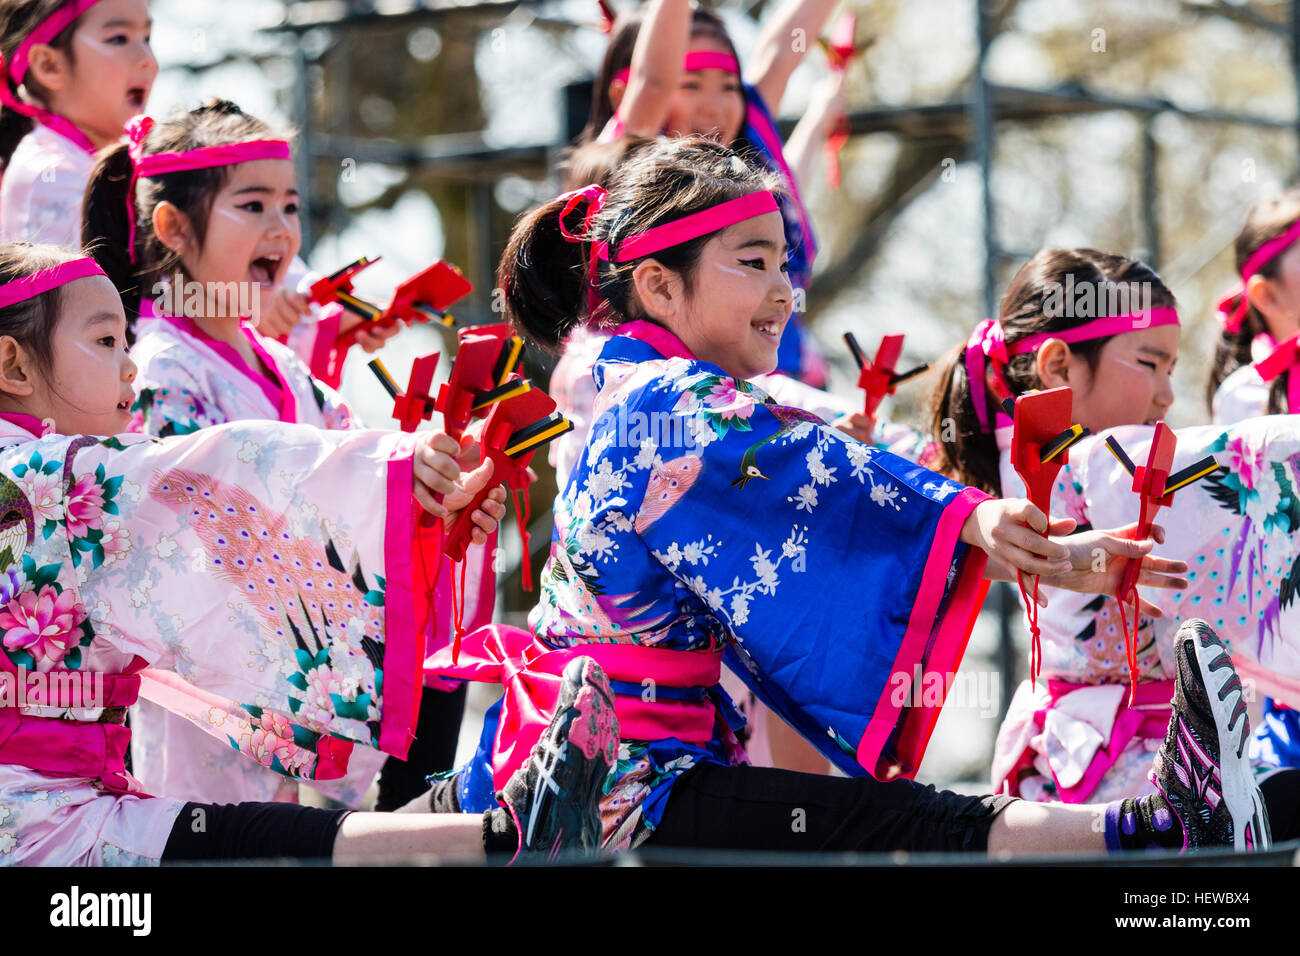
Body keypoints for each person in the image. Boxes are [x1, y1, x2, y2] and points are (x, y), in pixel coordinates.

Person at [425, 137, 1267, 856]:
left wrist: (1018, 541)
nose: (784, 291)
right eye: (752, 263)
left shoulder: (663, 390)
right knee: (898, 818)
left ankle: (1153, 824)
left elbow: (819, 457)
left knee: (886, 819)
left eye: (783, 262)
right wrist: (970, 514)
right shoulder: (664, 402)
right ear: (659, 287)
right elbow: (819, 466)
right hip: (609, 776)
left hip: (621, 750)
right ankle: (1150, 828)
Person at [0, 241, 617, 864]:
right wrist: (405, 483)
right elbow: (212, 469)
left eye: (126, 343)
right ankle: (488, 823)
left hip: (90, 781)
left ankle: (498, 829)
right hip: (47, 812)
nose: (130, 366)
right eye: (106, 343)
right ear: (14, 366)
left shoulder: (268, 372)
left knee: (256, 838)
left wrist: (418, 495)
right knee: (249, 840)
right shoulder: (53, 476)